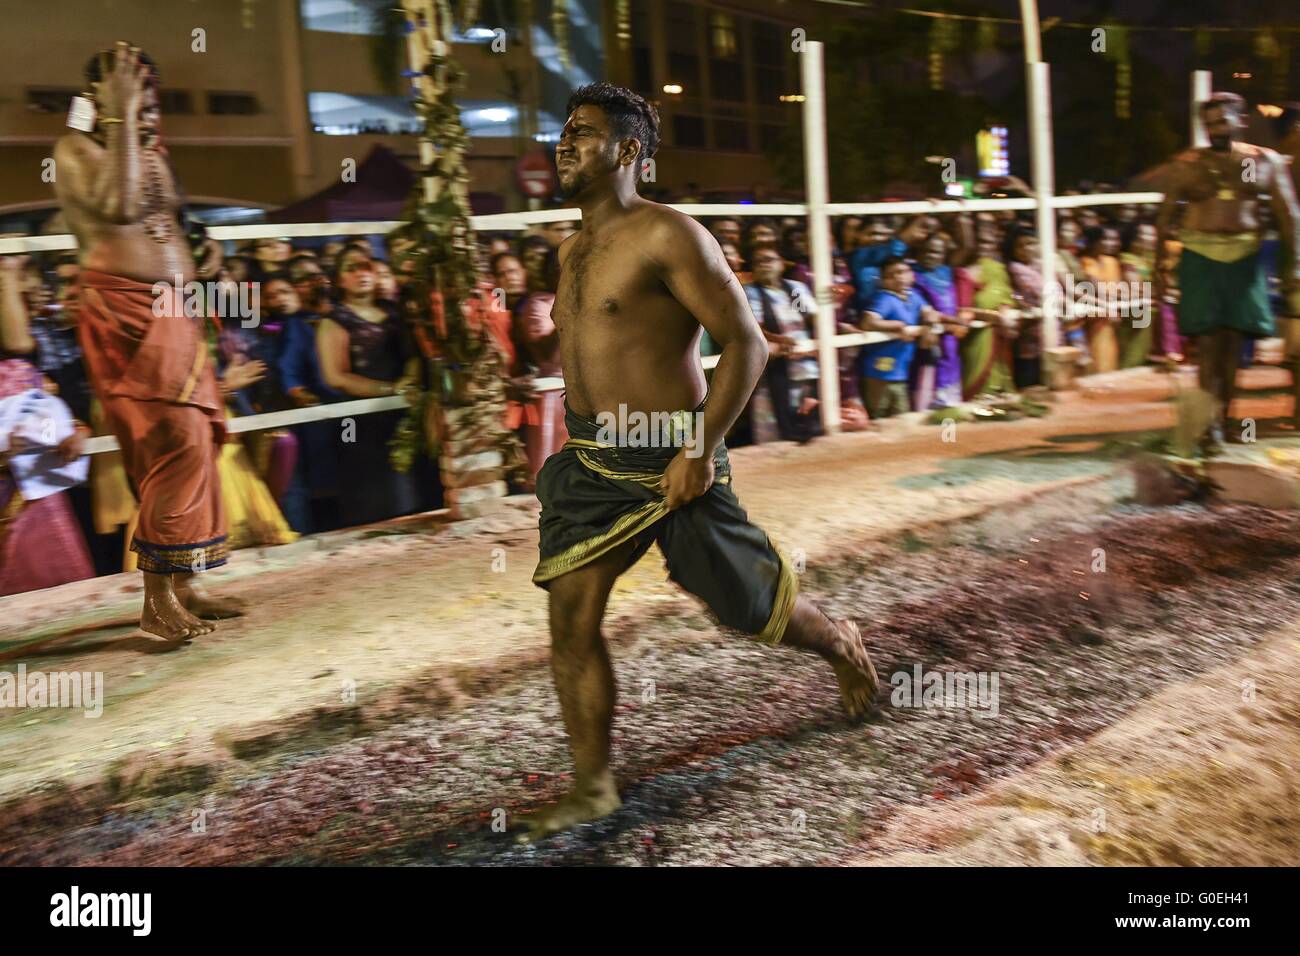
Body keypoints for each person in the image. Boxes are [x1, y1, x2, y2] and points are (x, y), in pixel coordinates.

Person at [526, 82, 878, 841]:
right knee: (570, 622)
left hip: (671, 457)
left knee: (746, 607)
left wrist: (698, 448)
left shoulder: (670, 235)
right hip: (592, 463)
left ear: (627, 152)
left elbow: (747, 343)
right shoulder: (569, 247)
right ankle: (593, 788)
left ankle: (839, 640)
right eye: (563, 129)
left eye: (582, 132)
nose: (563, 143)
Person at [54, 43, 241, 641]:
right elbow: (121, 204)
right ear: (101, 99)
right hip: (123, 313)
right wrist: (118, 116)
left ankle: (186, 583)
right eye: (140, 98)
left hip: (175, 310)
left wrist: (205, 250)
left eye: (153, 100)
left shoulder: (151, 153)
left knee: (200, 442)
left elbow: (170, 220)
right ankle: (155, 598)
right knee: (172, 443)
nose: (150, 111)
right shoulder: (74, 149)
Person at [1154, 92, 1300, 444]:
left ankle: (1227, 414)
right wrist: (1159, 267)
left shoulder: (1266, 162)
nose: (1215, 129)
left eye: (1222, 121)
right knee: (1206, 343)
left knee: (1234, 342)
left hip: (1244, 258)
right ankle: (1208, 422)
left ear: (1241, 121)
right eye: (1209, 123)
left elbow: (1289, 216)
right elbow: (1164, 218)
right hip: (1200, 257)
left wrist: (1292, 265)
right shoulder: (1186, 164)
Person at [0, 256, 96, 596]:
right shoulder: (19, 353)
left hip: (34, 486)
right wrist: (8, 272)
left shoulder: (25, 365)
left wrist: (74, 428)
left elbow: (45, 405)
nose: (39, 294)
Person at [316, 247, 419, 526]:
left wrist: (410, 377)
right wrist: (391, 390)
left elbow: (414, 353)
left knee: (417, 501)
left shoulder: (393, 312)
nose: (361, 273)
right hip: (361, 425)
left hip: (405, 417)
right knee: (379, 505)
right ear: (339, 280)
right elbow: (336, 377)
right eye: (351, 267)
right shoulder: (333, 322)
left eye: (366, 266)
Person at [860, 257, 940, 418]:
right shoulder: (884, 298)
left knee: (901, 416)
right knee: (879, 417)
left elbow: (930, 313)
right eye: (891, 274)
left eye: (902, 272)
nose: (898, 277)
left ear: (912, 275)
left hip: (900, 372)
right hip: (878, 374)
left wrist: (930, 323)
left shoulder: (913, 296)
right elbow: (868, 322)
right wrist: (898, 326)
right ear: (883, 281)